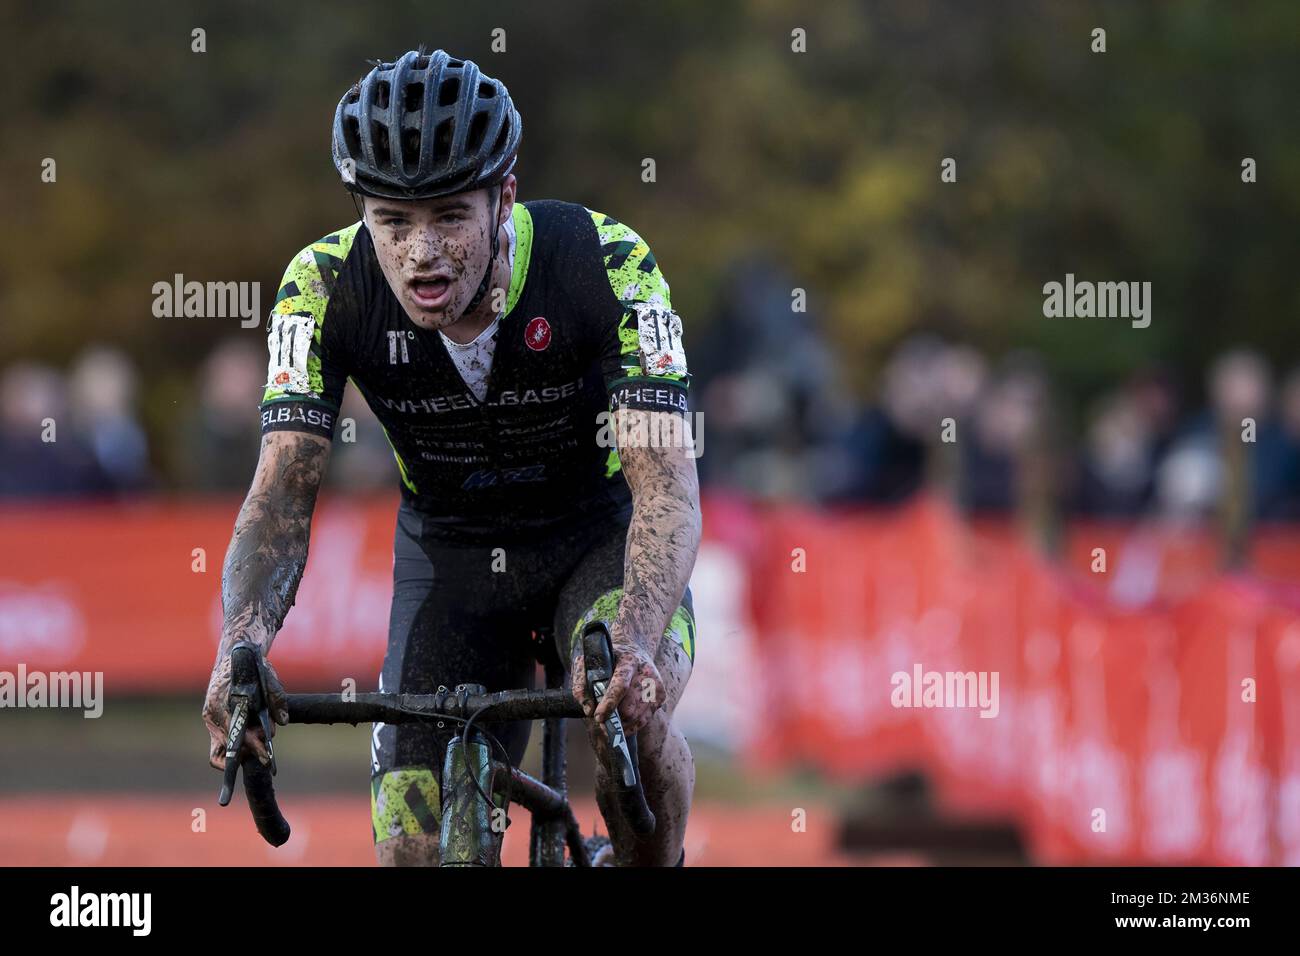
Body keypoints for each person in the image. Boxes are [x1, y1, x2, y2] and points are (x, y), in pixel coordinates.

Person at [201, 49, 700, 866]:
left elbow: (669, 486)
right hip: (452, 560)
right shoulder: (323, 287)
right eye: (392, 223)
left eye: (448, 218)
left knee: (629, 735)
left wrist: (639, 639)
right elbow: (281, 496)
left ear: (504, 195)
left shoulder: (605, 263)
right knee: (411, 841)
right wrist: (240, 644)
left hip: (600, 540)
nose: (420, 254)